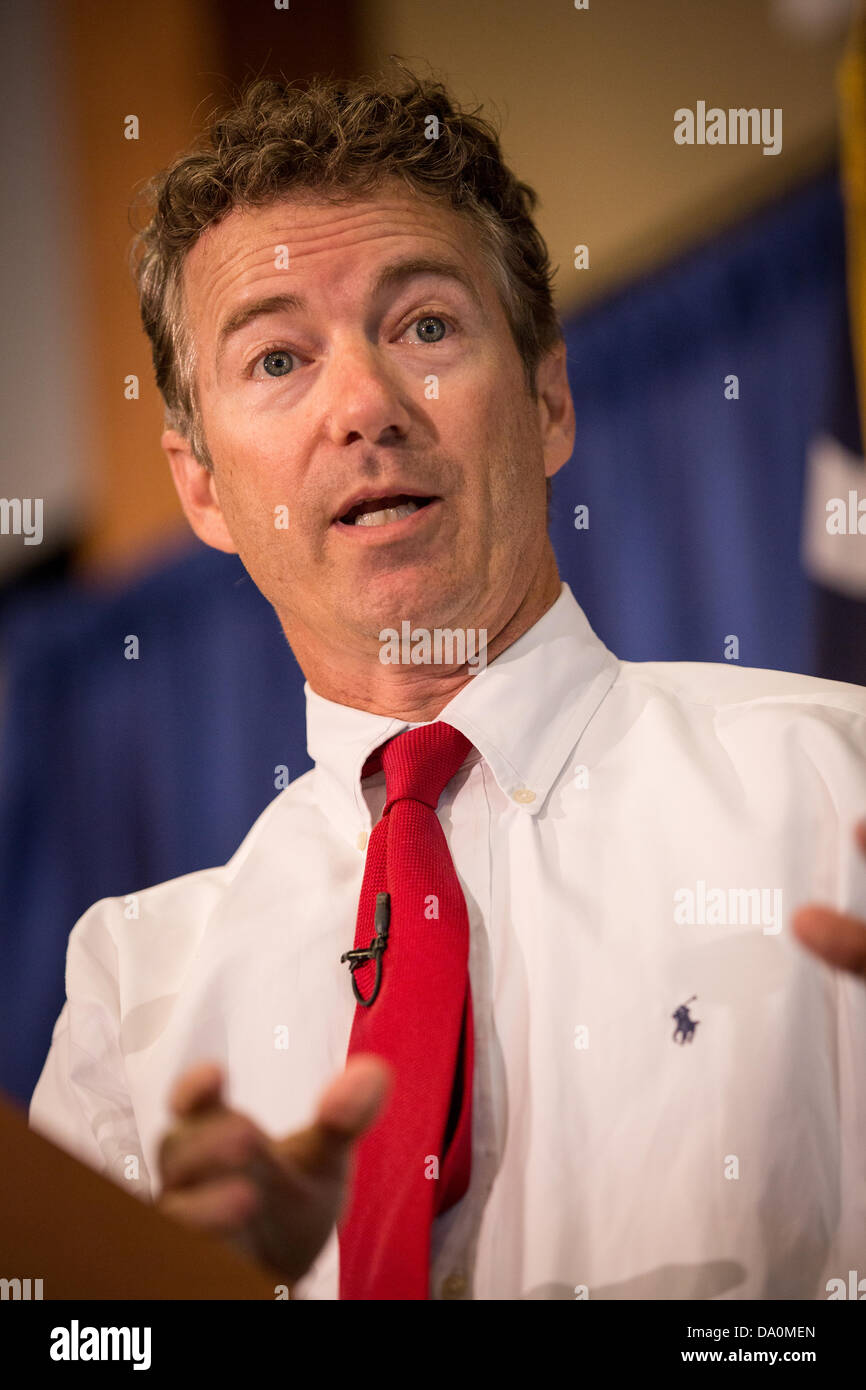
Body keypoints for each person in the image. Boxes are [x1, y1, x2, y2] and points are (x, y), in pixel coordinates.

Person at [29, 62, 866, 1301]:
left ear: (547, 398)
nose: (363, 407)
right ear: (200, 488)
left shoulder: (836, 792)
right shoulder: (132, 991)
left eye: (424, 326)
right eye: (276, 358)